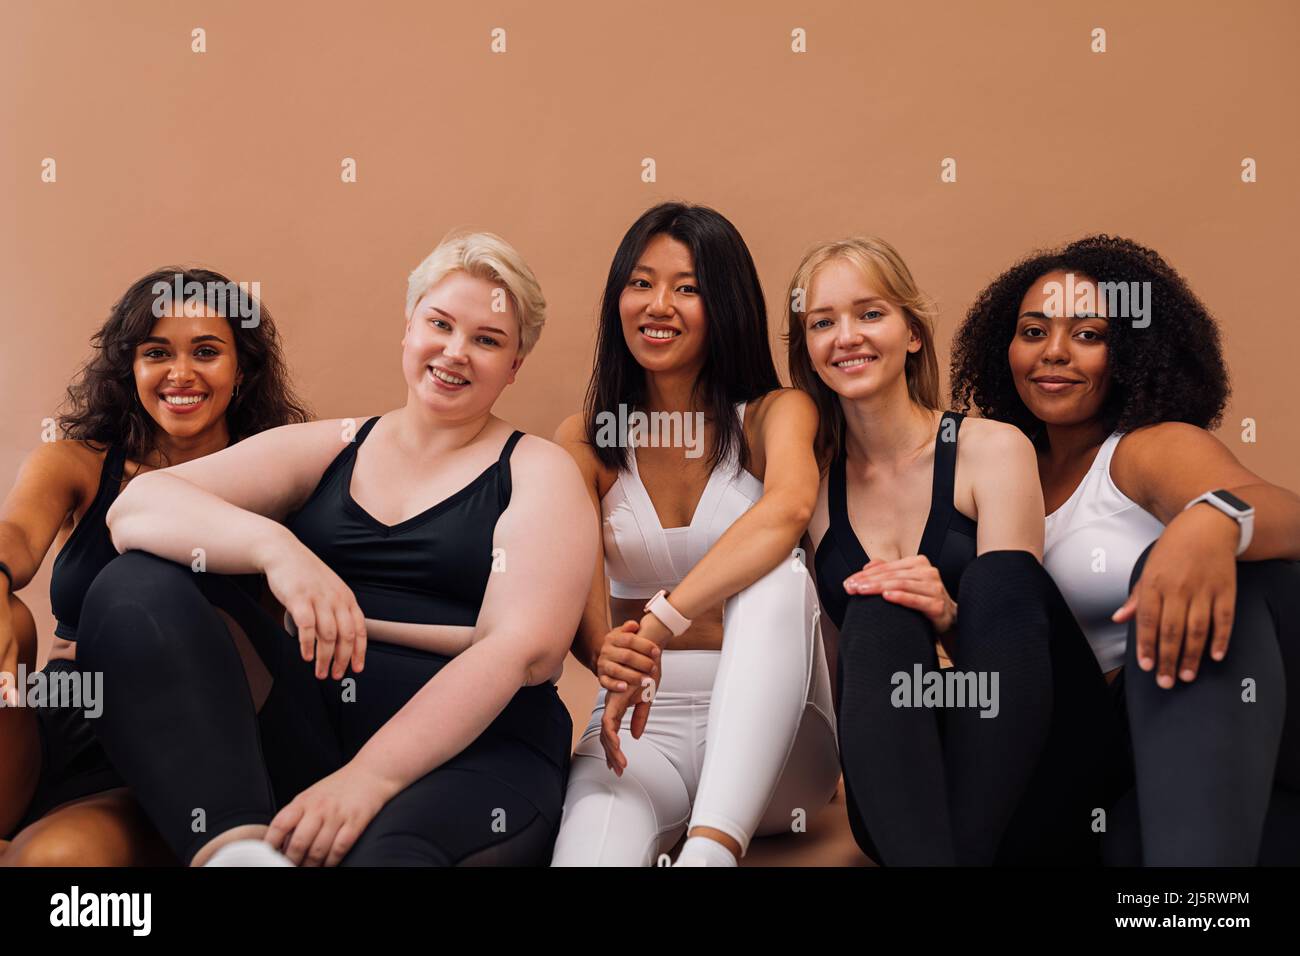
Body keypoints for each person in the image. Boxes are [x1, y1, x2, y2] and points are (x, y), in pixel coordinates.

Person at [75, 232, 597, 866]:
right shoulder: (333, 446)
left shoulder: (539, 470)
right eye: (441, 324)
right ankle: (237, 854)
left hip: (480, 751)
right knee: (135, 585)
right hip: (315, 727)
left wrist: (368, 778)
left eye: (487, 340)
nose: (456, 352)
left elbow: (520, 651)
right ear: (409, 330)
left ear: (514, 365)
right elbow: (136, 508)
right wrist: (279, 552)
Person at [950, 234, 1300, 864]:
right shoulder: (996, 470)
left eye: (1088, 334)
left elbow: (1289, 517)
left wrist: (1211, 523)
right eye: (1034, 331)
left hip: (1234, 707)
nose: (1054, 353)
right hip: (1118, 754)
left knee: (1238, 578)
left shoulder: (1145, 447)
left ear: (1133, 353)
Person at [550, 202, 840, 867]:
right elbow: (576, 592)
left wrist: (657, 622)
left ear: (727, 304)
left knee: (778, 571)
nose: (660, 305)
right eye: (641, 283)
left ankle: (711, 850)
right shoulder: (584, 439)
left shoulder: (775, 412)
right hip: (638, 722)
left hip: (783, 741)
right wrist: (608, 655)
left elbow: (789, 511)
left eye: (688, 288)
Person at [789, 236, 1089, 866]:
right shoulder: (809, 487)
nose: (846, 337)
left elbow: (1018, 635)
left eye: (871, 314)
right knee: (875, 603)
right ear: (808, 349)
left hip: (1029, 766)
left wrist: (945, 613)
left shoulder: (992, 449)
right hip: (907, 790)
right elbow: (841, 665)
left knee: (1002, 575)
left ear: (912, 333)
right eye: (823, 322)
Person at [0, 267, 308, 866]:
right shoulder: (78, 465)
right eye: (157, 352)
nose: (181, 373)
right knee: (5, 612)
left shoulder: (285, 480)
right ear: (130, 368)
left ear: (241, 370)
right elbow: (14, 533)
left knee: (51, 862)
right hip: (69, 727)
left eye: (207, 351)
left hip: (194, 743)